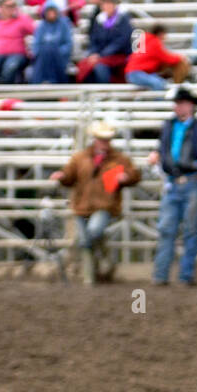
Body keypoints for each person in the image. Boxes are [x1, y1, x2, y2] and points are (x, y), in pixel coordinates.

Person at [147, 88, 197, 285]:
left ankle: (184, 276)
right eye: (176, 103)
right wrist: (159, 157)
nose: (177, 106)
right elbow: (163, 148)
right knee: (166, 229)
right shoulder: (168, 126)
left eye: (180, 102)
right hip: (173, 181)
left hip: (194, 180)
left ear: (190, 105)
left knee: (190, 229)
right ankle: (161, 275)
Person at [50, 121, 141, 285]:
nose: (104, 143)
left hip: (105, 205)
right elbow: (69, 176)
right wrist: (62, 176)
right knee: (86, 240)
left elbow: (134, 174)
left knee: (92, 233)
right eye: (101, 139)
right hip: (82, 206)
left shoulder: (119, 159)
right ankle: (91, 276)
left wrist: (127, 177)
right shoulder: (80, 158)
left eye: (107, 139)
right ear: (95, 139)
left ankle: (97, 268)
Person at [77, 0, 133, 83]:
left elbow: (122, 41)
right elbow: (94, 39)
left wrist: (102, 54)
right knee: (85, 65)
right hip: (101, 54)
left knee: (100, 66)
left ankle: (105, 89)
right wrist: (94, 53)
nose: (107, 7)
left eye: (109, 4)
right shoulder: (99, 20)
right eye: (105, 4)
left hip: (118, 54)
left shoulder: (122, 19)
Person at [0, 0, 34, 84]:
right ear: (1, 8)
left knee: (10, 68)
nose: (11, 8)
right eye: (8, 6)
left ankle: (5, 90)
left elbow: (34, 30)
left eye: (13, 6)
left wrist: (22, 17)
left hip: (17, 54)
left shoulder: (21, 19)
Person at [125, 24, 191, 90]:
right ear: (160, 34)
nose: (165, 37)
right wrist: (180, 57)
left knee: (160, 82)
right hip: (138, 73)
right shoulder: (154, 42)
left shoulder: (145, 40)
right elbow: (167, 58)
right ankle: (159, 100)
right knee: (159, 84)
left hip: (135, 72)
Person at [29, 1, 73, 84]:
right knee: (46, 50)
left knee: (50, 49)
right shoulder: (41, 26)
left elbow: (68, 44)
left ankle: (44, 81)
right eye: (49, 12)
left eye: (53, 11)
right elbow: (36, 44)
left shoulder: (63, 25)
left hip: (59, 57)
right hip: (43, 58)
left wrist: (56, 52)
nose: (51, 14)